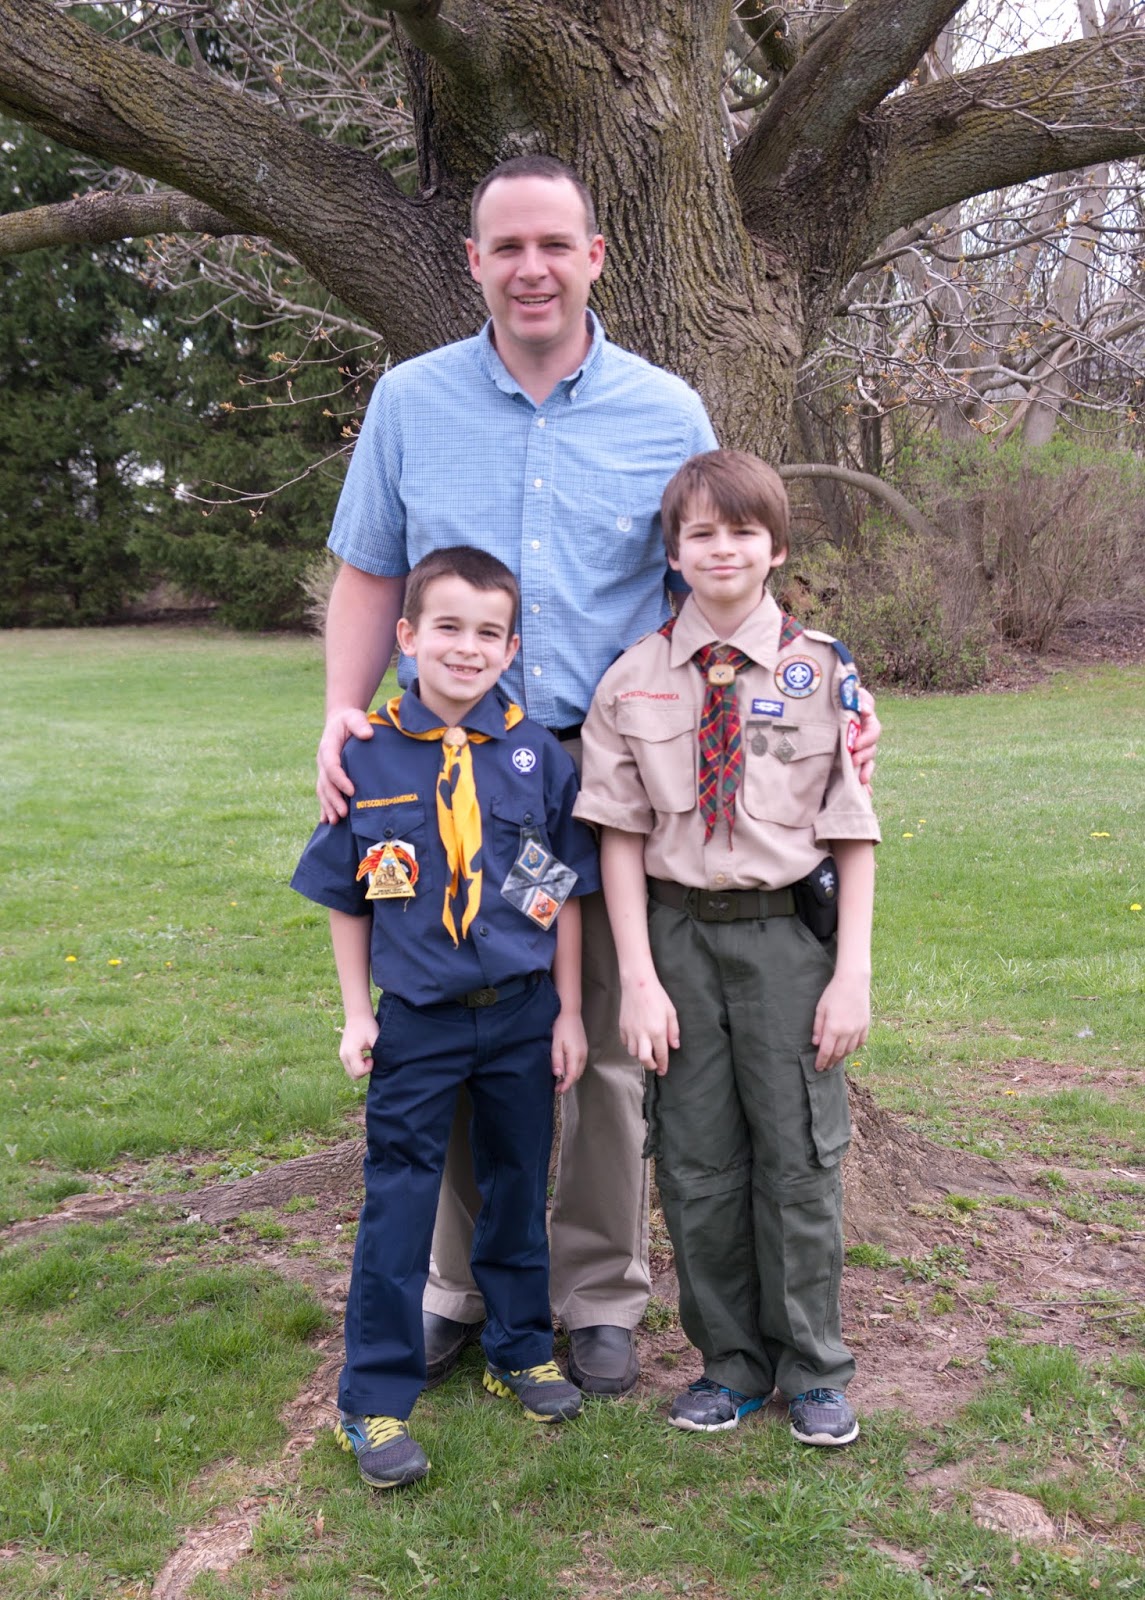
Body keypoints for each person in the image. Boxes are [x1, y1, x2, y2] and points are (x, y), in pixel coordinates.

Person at [315, 154, 881, 1399]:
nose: (530, 267)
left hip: (618, 766)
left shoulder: (663, 408)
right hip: (450, 767)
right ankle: (461, 1284)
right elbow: (367, 569)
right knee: (453, 1025)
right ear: (473, 261)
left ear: (593, 257)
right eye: (505, 245)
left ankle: (596, 1295)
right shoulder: (408, 402)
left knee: (615, 1038)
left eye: (553, 245)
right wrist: (344, 716)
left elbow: (721, 578)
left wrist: (828, 680)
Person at [574, 451, 879, 1447]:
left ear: (776, 547)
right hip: (673, 938)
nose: (721, 548)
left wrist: (850, 975)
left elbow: (850, 830)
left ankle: (814, 1364)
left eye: (741, 531)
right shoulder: (630, 680)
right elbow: (617, 836)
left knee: (798, 1153)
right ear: (672, 553)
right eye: (700, 533)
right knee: (696, 1157)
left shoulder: (823, 670)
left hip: (787, 940)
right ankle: (729, 1363)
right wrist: (637, 980)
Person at [292, 546, 600, 1488]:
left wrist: (571, 1013)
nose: (466, 649)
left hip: (520, 1011)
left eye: (487, 634)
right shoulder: (367, 753)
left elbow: (560, 890)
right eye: (448, 629)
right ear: (407, 637)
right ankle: (375, 1400)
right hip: (417, 1022)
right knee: (400, 1200)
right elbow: (349, 894)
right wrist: (357, 1016)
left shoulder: (533, 754)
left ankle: (518, 1348)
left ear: (511, 649)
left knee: (517, 1184)